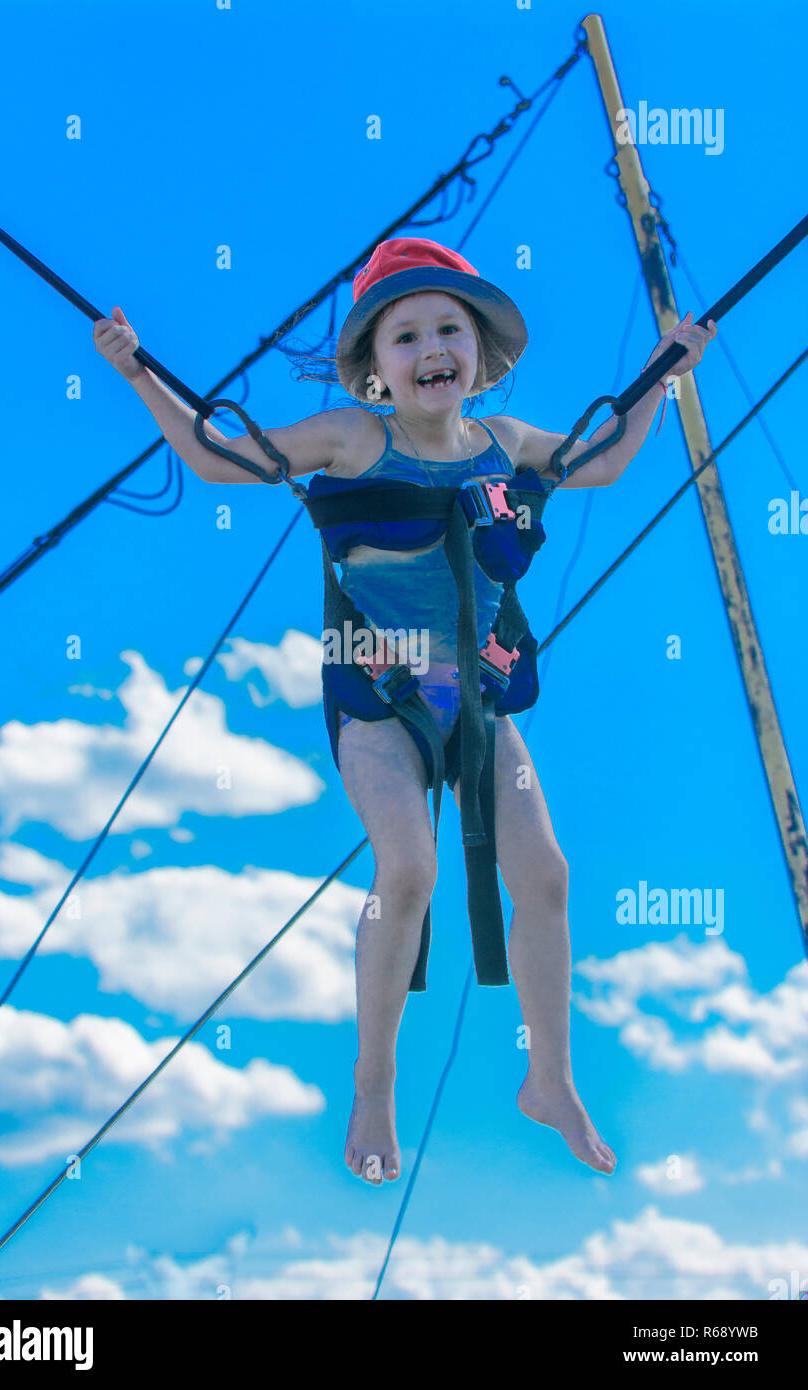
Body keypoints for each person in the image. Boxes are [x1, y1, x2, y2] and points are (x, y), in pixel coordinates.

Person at [93, 237, 716, 1188]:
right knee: (410, 865)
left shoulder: (507, 443)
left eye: (448, 329)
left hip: (473, 695)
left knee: (544, 873)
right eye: (407, 334)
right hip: (377, 695)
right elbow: (217, 457)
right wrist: (138, 368)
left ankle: (549, 1078)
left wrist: (667, 373)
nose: (431, 346)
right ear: (376, 368)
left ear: (479, 352)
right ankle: (374, 1081)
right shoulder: (350, 438)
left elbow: (603, 460)